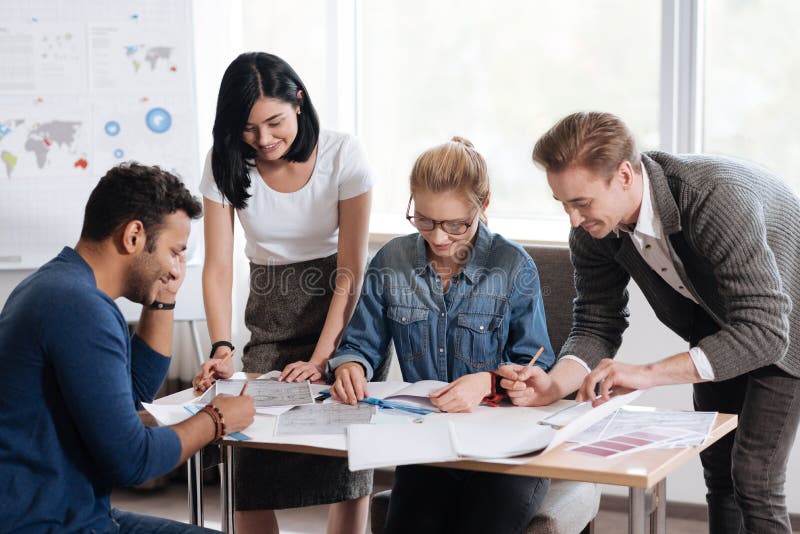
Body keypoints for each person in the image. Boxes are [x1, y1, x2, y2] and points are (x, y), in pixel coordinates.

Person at [497, 111, 800, 533]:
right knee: (718, 467)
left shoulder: (712, 197)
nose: (573, 218)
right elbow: (596, 321)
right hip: (722, 318)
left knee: (754, 478)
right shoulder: (592, 230)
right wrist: (553, 384)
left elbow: (766, 330)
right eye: (563, 203)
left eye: (581, 202)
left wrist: (647, 374)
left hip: (786, 322)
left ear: (624, 175)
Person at [0, 163, 255, 533]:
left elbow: (131, 392)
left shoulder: (56, 286)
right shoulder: (80, 307)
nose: (176, 266)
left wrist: (164, 296)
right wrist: (216, 420)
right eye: (174, 251)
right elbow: (133, 461)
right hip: (47, 524)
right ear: (134, 235)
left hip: (73, 512)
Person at [328, 137, 555, 534]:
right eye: (424, 220)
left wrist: (488, 383)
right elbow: (360, 344)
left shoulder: (513, 265)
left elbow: (537, 366)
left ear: (483, 206)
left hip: (507, 454)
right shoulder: (392, 261)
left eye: (455, 225)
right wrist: (351, 365)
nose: (438, 238)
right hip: (428, 449)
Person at [191, 52, 375, 534]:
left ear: (298, 101)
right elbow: (218, 267)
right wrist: (221, 347)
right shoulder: (224, 161)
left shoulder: (343, 154)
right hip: (269, 318)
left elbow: (351, 271)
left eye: (274, 123)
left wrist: (323, 358)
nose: (264, 140)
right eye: (249, 129)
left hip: (341, 319)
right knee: (249, 466)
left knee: (346, 468)